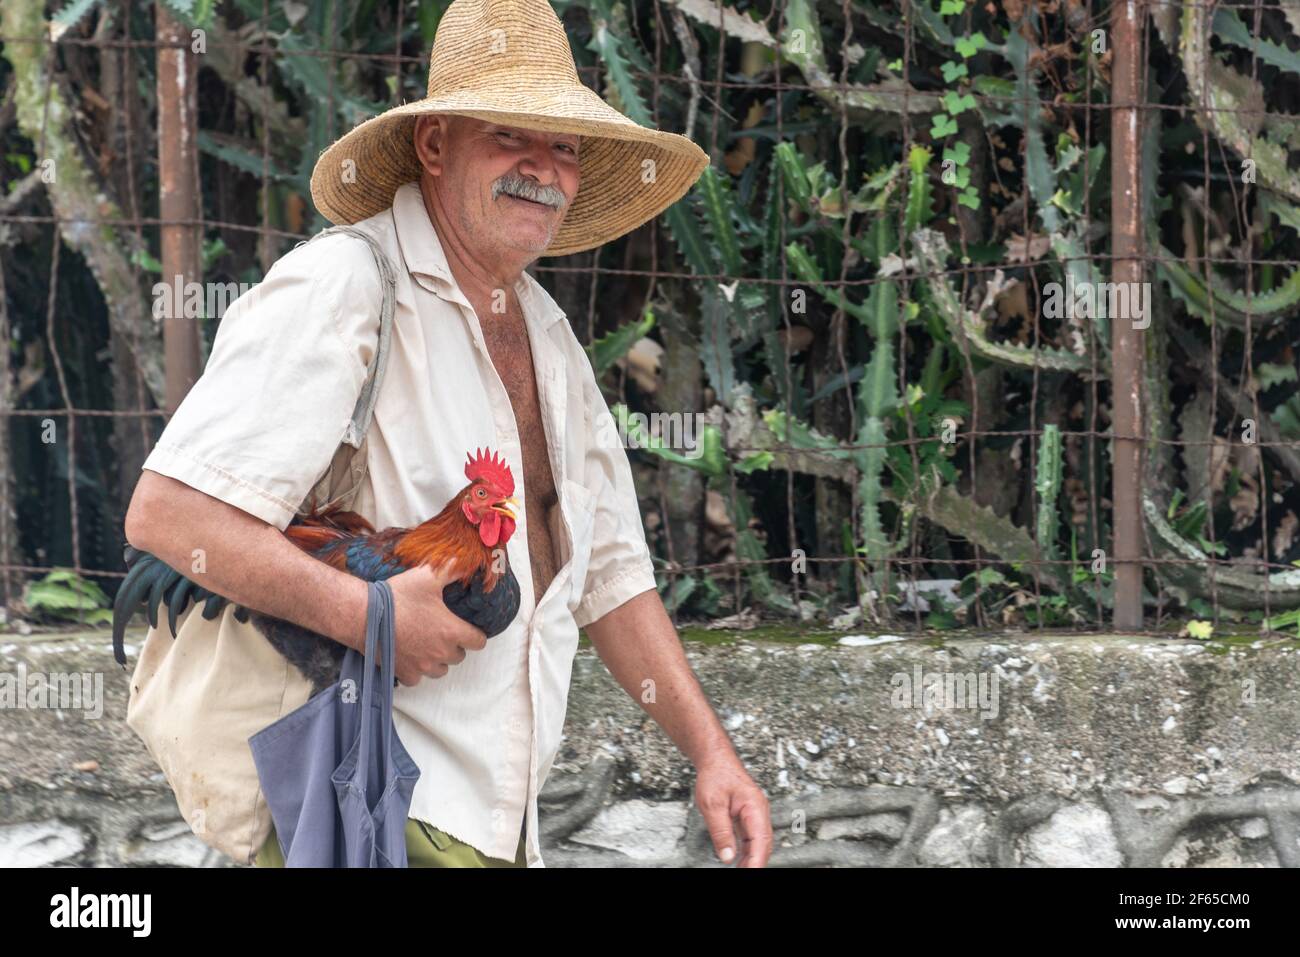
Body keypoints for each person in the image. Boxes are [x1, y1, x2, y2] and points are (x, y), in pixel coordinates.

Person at [125, 0, 772, 868]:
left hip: (495, 827)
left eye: (566, 147)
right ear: (435, 145)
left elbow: (611, 573)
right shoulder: (346, 285)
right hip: (361, 807)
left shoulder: (549, 339)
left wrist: (711, 752)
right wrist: (371, 612)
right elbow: (168, 513)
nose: (544, 169)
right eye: (513, 136)